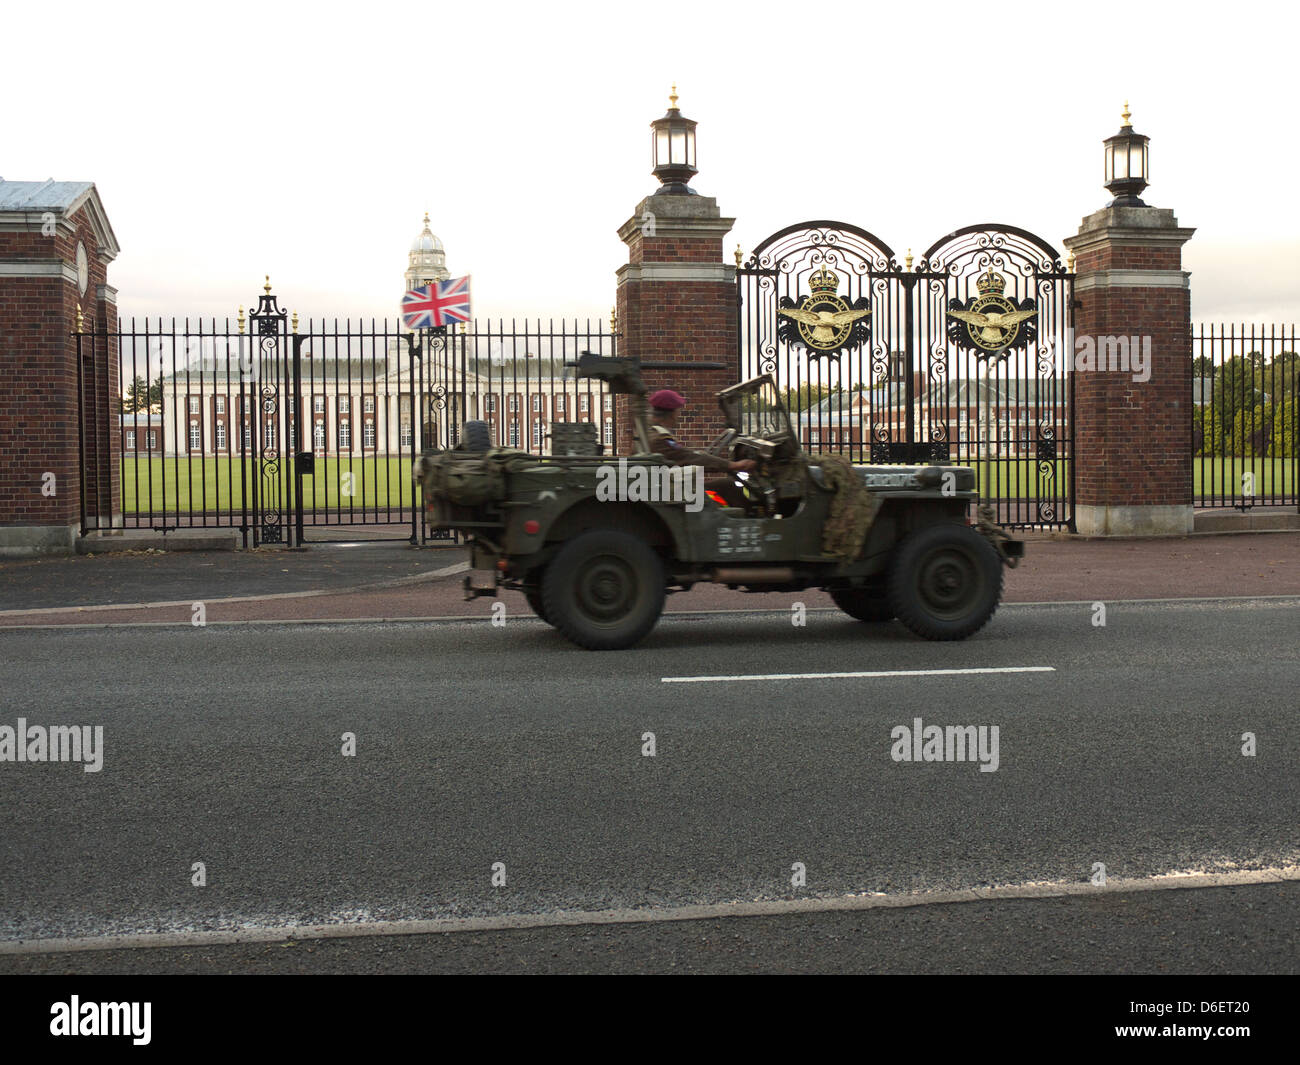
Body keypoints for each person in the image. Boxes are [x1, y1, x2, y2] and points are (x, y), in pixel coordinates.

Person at [645, 389, 756, 507]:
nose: (678, 415)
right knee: (728, 485)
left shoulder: (652, 433)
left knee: (724, 485)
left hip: (667, 486)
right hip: (671, 491)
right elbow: (687, 457)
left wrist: (707, 458)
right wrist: (733, 465)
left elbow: (685, 456)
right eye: (678, 411)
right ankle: (752, 521)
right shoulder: (660, 438)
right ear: (671, 414)